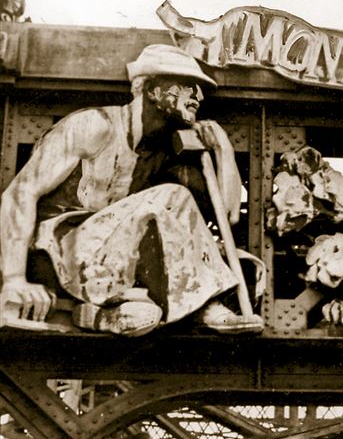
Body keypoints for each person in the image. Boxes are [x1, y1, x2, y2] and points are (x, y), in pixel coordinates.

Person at [0, 44, 262, 335]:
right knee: (173, 197)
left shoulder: (159, 155)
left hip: (103, 264)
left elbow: (229, 216)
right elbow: (20, 193)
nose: (198, 97)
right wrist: (13, 279)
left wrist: (222, 149)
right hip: (58, 253)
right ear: (152, 90)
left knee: (174, 211)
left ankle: (103, 315)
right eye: (189, 87)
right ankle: (203, 306)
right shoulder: (95, 125)